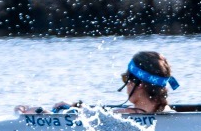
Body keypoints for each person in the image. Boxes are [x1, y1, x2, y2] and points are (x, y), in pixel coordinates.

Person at [17, 49, 179, 116]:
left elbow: (88, 121)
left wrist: (41, 113)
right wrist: (73, 106)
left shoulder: (126, 115)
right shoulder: (165, 110)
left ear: (140, 83)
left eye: (126, 79)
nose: (125, 84)